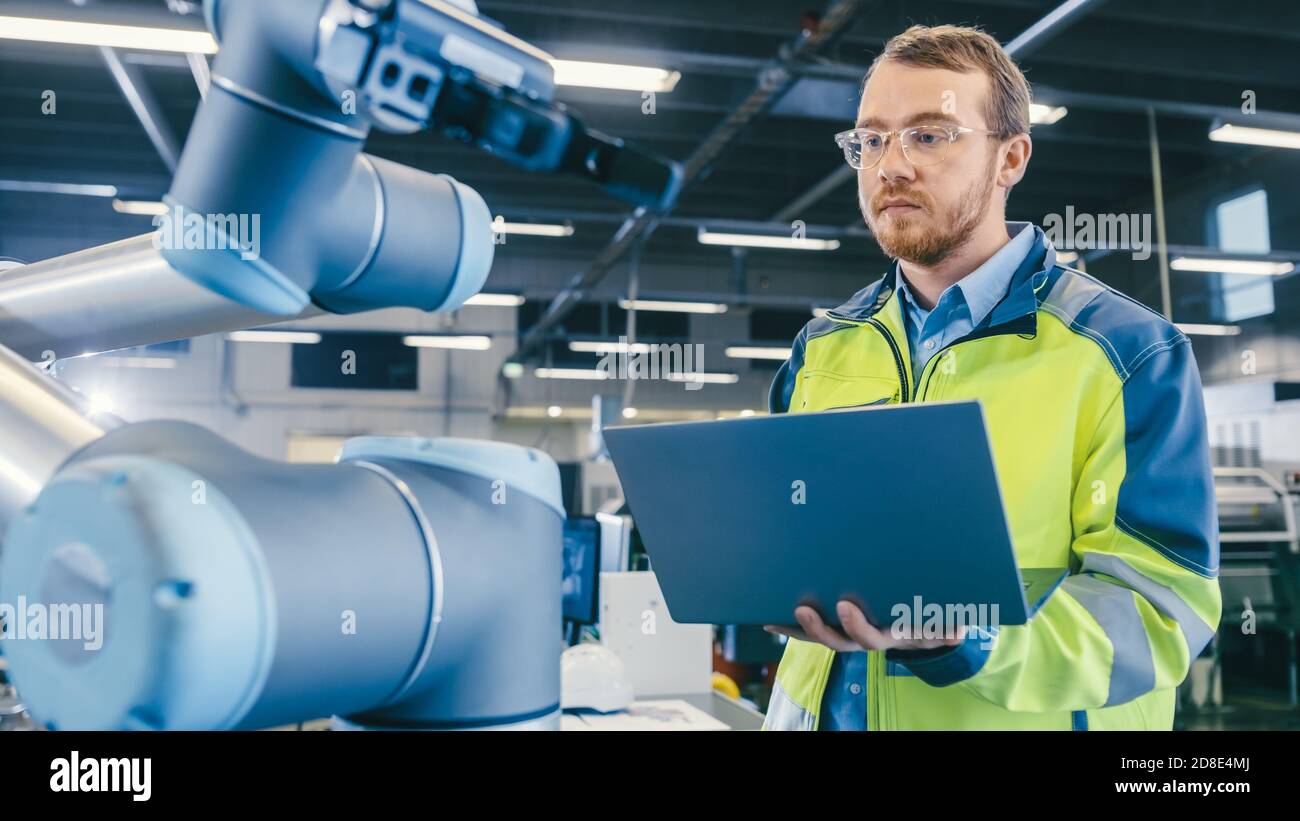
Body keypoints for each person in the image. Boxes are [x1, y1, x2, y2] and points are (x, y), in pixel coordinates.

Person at [762, 24, 1220, 730]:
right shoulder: (822, 349)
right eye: (872, 139)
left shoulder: (1127, 353)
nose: (891, 166)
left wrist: (969, 639)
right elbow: (786, 539)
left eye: (930, 135)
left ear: (1011, 157)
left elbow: (1161, 608)